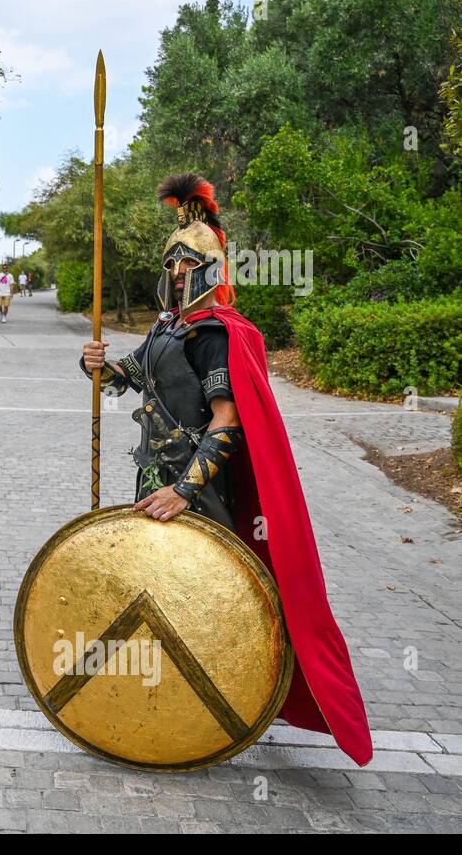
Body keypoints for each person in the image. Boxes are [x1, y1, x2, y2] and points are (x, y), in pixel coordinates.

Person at [79, 172, 373, 767]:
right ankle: (158, 694)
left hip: (197, 492)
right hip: (152, 479)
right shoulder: (168, 328)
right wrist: (94, 366)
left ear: (210, 267)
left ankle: (216, 701)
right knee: (153, 587)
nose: (176, 273)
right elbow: (127, 381)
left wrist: (185, 493)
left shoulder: (216, 335)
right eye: (171, 263)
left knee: (200, 596)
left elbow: (227, 423)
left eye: (186, 263)